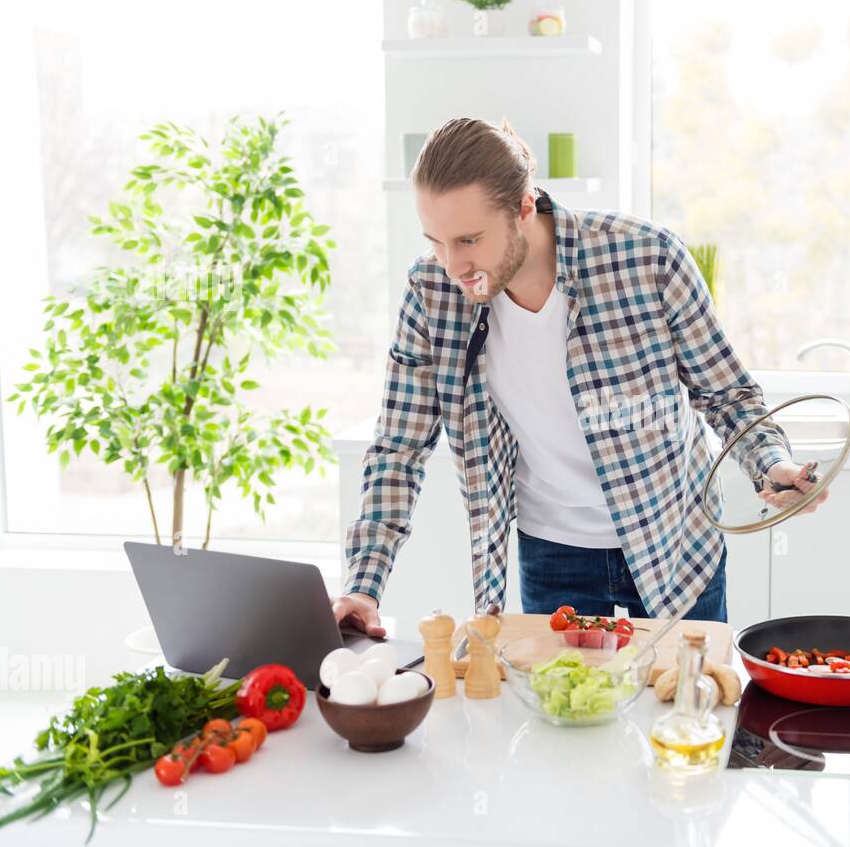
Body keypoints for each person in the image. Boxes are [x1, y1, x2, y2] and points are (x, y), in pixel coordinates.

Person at [333, 117, 825, 638]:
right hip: (552, 553)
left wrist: (772, 463)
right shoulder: (431, 293)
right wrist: (363, 586)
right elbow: (397, 449)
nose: (453, 265)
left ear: (524, 207)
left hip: (674, 542)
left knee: (687, 710)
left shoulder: (646, 257)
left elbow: (726, 394)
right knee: (559, 710)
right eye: (436, 241)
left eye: (470, 239)